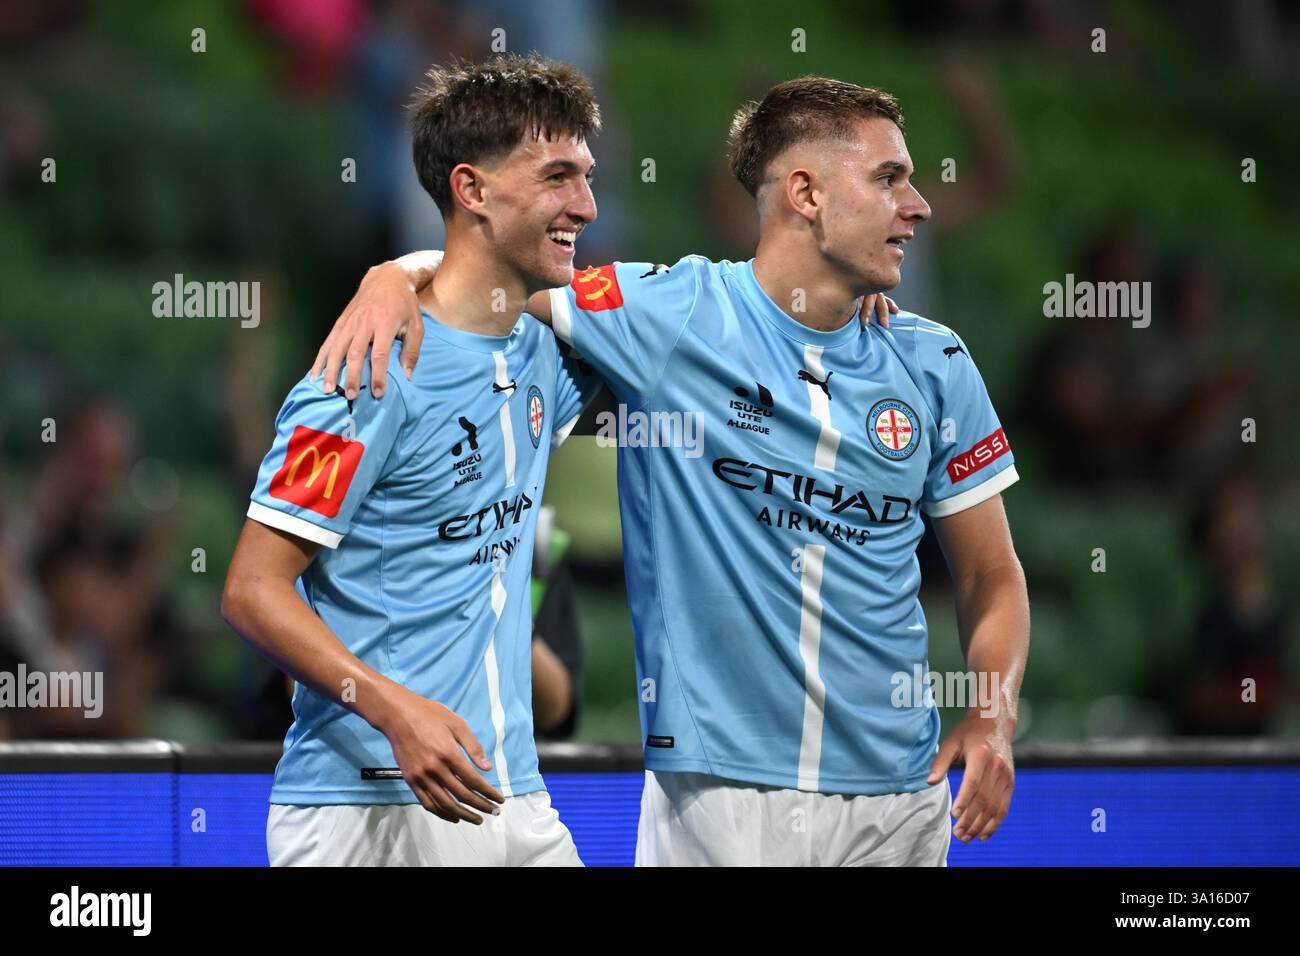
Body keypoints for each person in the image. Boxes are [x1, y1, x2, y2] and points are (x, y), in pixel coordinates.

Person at [316, 76, 1030, 866]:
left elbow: (991, 574)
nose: (920, 205)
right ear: (806, 192)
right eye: (890, 179)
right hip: (720, 799)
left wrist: (993, 716)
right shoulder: (668, 315)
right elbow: (487, 274)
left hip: (903, 799)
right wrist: (391, 275)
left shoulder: (937, 360)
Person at [221, 54, 602, 866]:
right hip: (368, 807)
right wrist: (394, 711)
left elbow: (728, 306)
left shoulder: (551, 349)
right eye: (559, 178)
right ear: (471, 190)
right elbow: (253, 590)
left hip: (514, 802)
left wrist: (850, 298)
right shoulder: (363, 372)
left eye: (588, 177)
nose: (588, 206)